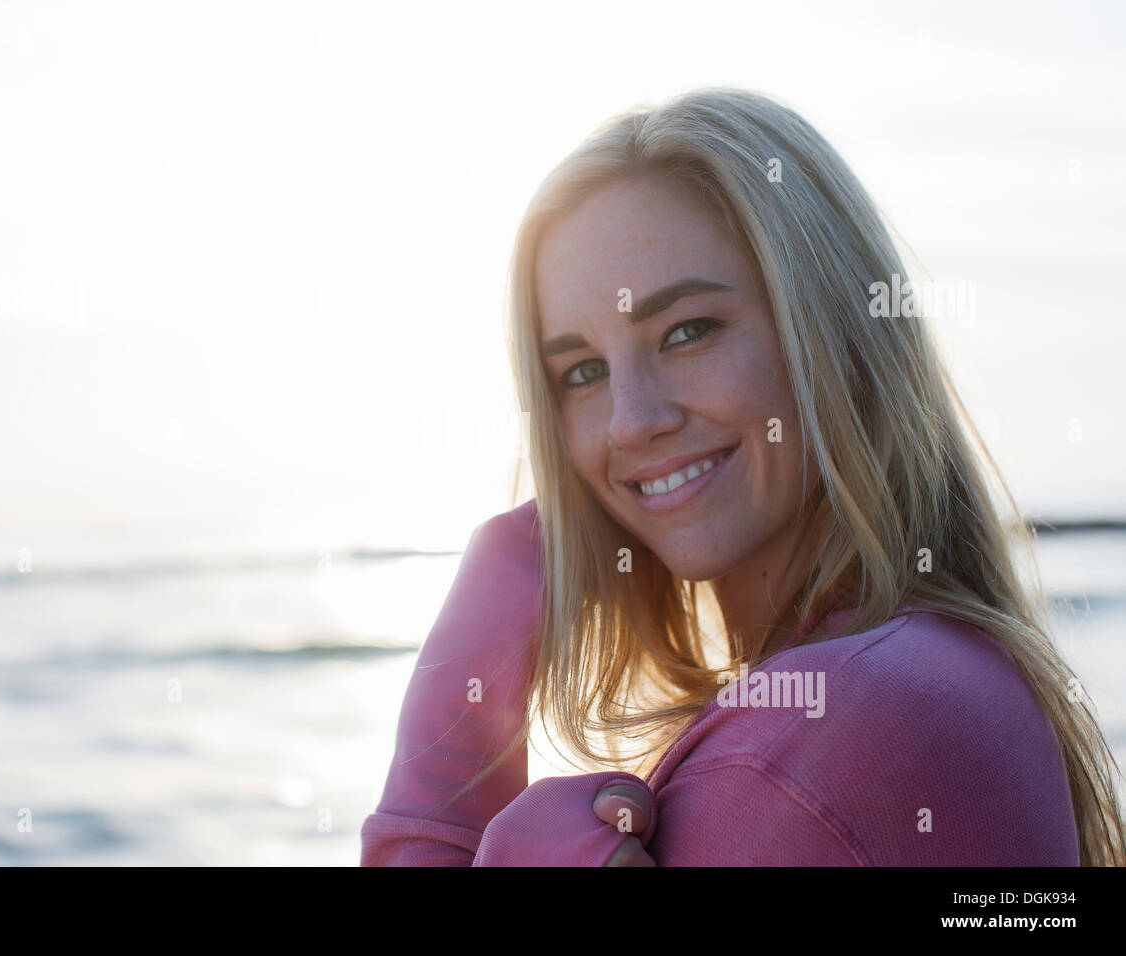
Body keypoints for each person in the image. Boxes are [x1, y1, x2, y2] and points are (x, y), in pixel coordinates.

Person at [360, 88, 1126, 866]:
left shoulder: (803, 748)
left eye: (688, 331)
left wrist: (437, 804)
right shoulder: (943, 667)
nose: (631, 420)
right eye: (582, 372)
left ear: (834, 333)